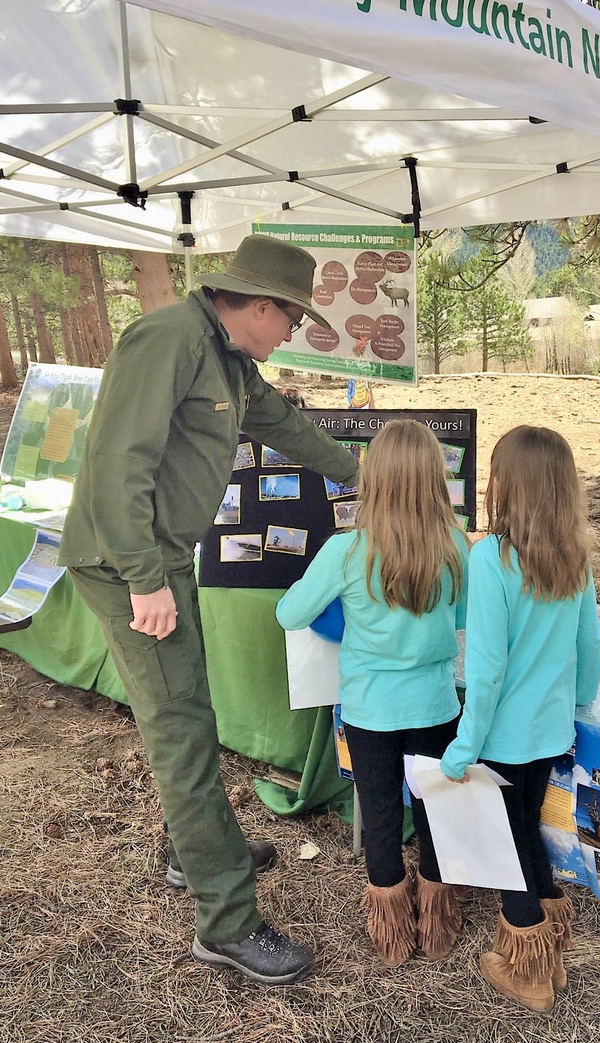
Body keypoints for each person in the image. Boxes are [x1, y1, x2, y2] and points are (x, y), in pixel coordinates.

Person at [58, 234, 360, 986]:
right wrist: (143, 576)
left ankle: (187, 852)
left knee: (188, 713)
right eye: (290, 320)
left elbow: (283, 428)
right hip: (128, 561)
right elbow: (116, 459)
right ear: (260, 306)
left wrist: (370, 474)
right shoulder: (167, 338)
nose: (290, 334)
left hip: (158, 555)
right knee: (183, 728)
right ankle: (225, 922)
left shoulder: (228, 355)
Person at [275, 419, 470, 968]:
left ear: (373, 479)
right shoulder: (456, 543)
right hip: (435, 705)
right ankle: (439, 922)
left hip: (368, 710)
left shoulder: (345, 550)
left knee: (381, 815)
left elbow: (289, 613)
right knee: (435, 813)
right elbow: (462, 618)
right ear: (435, 477)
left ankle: (392, 932)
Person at [440, 425, 600, 1013]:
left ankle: (528, 974)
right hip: (550, 731)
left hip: (503, 736)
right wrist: (575, 703)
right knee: (526, 832)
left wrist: (462, 748)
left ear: (505, 487)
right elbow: (592, 648)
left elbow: (485, 670)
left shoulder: (491, 558)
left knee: (506, 848)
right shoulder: (574, 558)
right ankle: (550, 955)